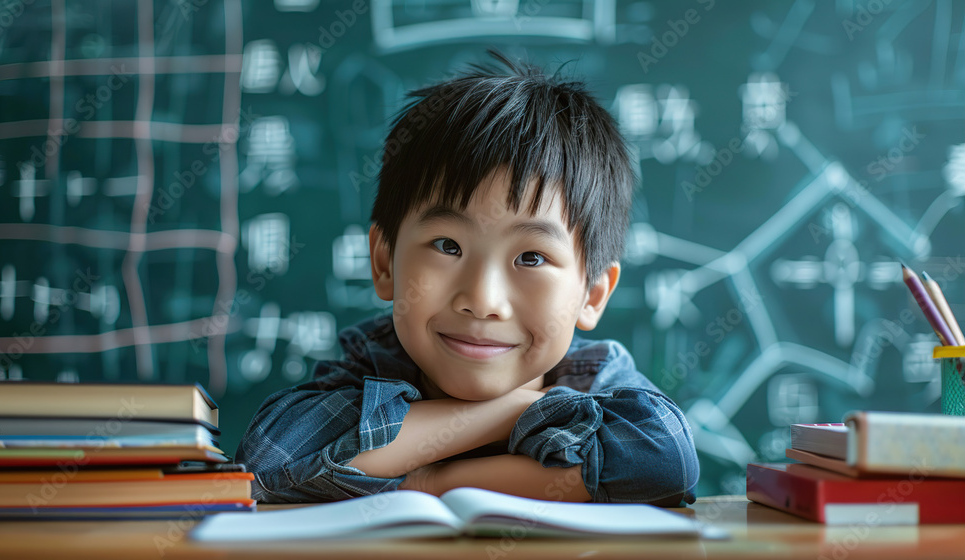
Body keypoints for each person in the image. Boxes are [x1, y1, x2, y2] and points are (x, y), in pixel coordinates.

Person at [235, 51, 699, 506]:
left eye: (532, 258)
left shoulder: (594, 376)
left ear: (593, 294)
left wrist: (435, 483)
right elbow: (267, 463)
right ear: (384, 264)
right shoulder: (374, 359)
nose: (482, 300)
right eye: (447, 246)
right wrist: (511, 411)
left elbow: (665, 460)